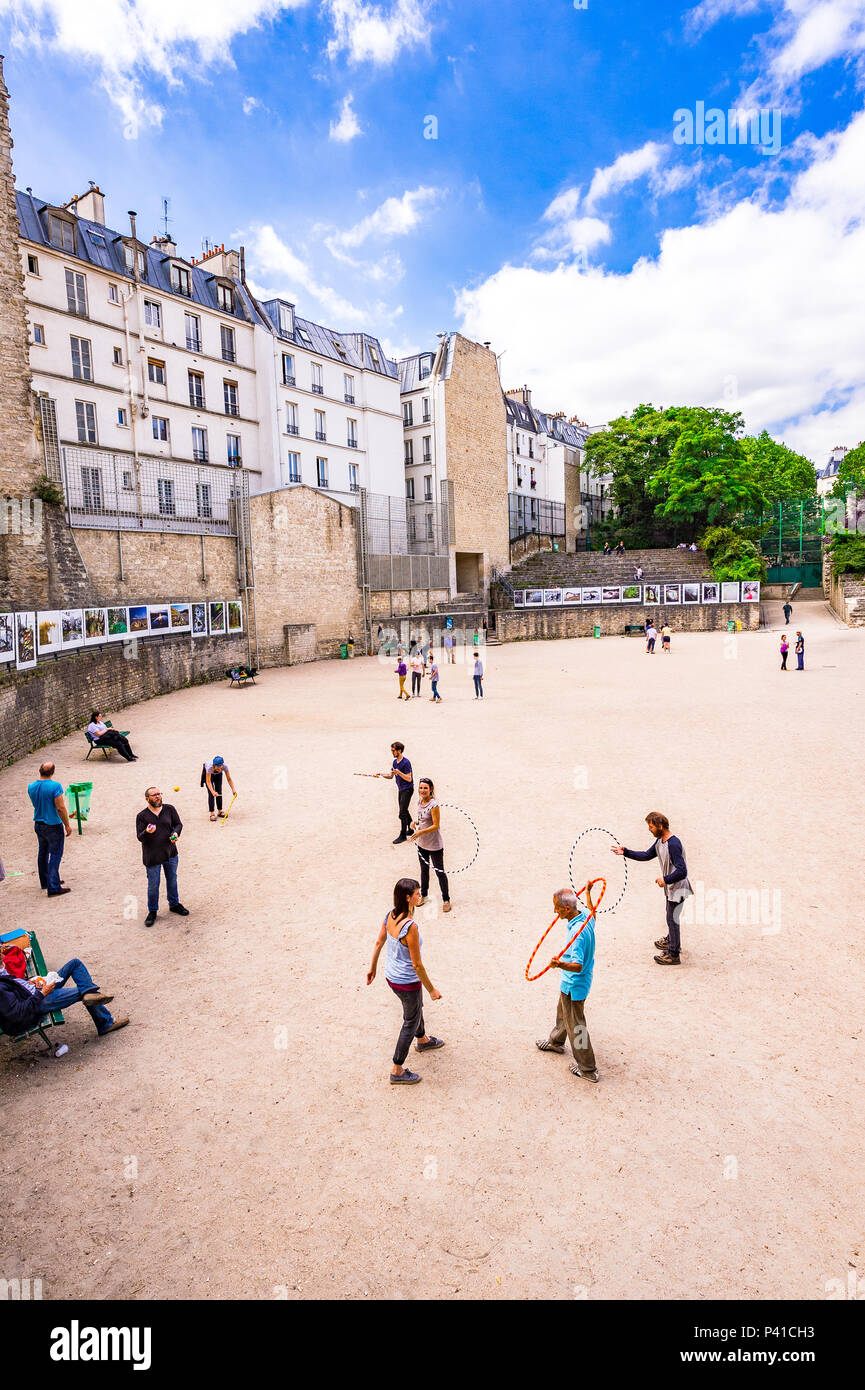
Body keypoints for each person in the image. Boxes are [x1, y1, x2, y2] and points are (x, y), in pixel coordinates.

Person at [366, 877, 444, 1084]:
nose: (421, 896)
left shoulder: (390, 915)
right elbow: (417, 964)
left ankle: (423, 1039)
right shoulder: (410, 927)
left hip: (391, 976)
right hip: (407, 981)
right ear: (408, 898)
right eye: (418, 893)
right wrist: (432, 989)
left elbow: (378, 942)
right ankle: (397, 1069)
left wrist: (372, 968)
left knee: (415, 1008)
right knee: (410, 1020)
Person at [535, 885, 599, 1081]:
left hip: (575, 984)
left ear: (568, 909)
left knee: (576, 1024)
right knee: (563, 1012)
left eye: (558, 908)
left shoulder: (576, 935)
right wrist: (588, 893)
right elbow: (594, 915)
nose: (555, 911)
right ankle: (556, 1042)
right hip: (573, 982)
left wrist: (559, 964)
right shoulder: (584, 916)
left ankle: (588, 1069)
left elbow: (578, 965)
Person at [612, 812, 692, 965]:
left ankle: (674, 953)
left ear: (660, 826)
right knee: (670, 916)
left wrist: (665, 879)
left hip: (678, 888)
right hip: (672, 887)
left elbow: (682, 871)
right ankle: (671, 940)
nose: (649, 829)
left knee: (671, 918)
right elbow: (646, 855)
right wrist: (625, 852)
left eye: (651, 826)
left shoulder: (673, 844)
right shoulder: (660, 841)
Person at [0, 949, 128, 1038]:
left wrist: (29, 983)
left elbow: (13, 987)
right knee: (82, 991)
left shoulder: (1, 971)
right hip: (38, 1003)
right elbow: (17, 1013)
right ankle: (105, 1023)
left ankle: (90, 995)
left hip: (36, 993)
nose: (2, 952)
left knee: (75, 964)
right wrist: (42, 993)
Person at [136, 787, 189, 927]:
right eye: (154, 795)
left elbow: (178, 824)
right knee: (153, 885)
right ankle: (152, 911)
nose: (158, 797)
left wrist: (176, 833)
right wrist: (147, 832)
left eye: (159, 794)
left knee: (172, 880)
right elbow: (140, 837)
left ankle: (174, 904)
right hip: (152, 857)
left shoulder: (169, 809)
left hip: (170, 853)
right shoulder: (142, 816)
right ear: (147, 799)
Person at [27, 762, 72, 897]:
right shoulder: (55, 786)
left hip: (39, 822)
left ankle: (46, 880)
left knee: (43, 852)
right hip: (52, 824)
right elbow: (60, 807)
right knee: (56, 854)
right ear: (53, 772)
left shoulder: (31, 786)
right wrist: (67, 825)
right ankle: (53, 886)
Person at [411, 777, 451, 912]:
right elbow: (422, 819)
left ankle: (446, 899)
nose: (422, 790)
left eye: (425, 788)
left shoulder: (434, 805)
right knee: (424, 870)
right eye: (421, 788)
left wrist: (420, 832)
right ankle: (424, 895)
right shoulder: (419, 802)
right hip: (422, 844)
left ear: (431, 789)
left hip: (434, 845)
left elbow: (435, 825)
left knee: (440, 872)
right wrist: (415, 824)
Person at [378, 742, 414, 844]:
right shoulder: (394, 762)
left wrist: (399, 772)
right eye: (391, 750)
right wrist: (381, 774)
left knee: (402, 812)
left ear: (399, 750)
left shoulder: (406, 762)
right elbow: (391, 776)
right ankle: (411, 829)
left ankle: (403, 835)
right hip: (401, 789)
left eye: (393, 750)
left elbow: (409, 778)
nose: (392, 752)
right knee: (404, 810)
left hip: (408, 789)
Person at [202, 754, 237, 822]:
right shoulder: (209, 767)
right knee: (211, 793)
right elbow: (208, 782)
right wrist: (213, 792)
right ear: (214, 765)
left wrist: (233, 790)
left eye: (221, 767)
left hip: (218, 775)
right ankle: (212, 813)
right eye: (218, 767)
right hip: (210, 775)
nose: (220, 769)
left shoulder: (224, 767)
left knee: (219, 791)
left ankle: (220, 811)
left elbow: (229, 779)